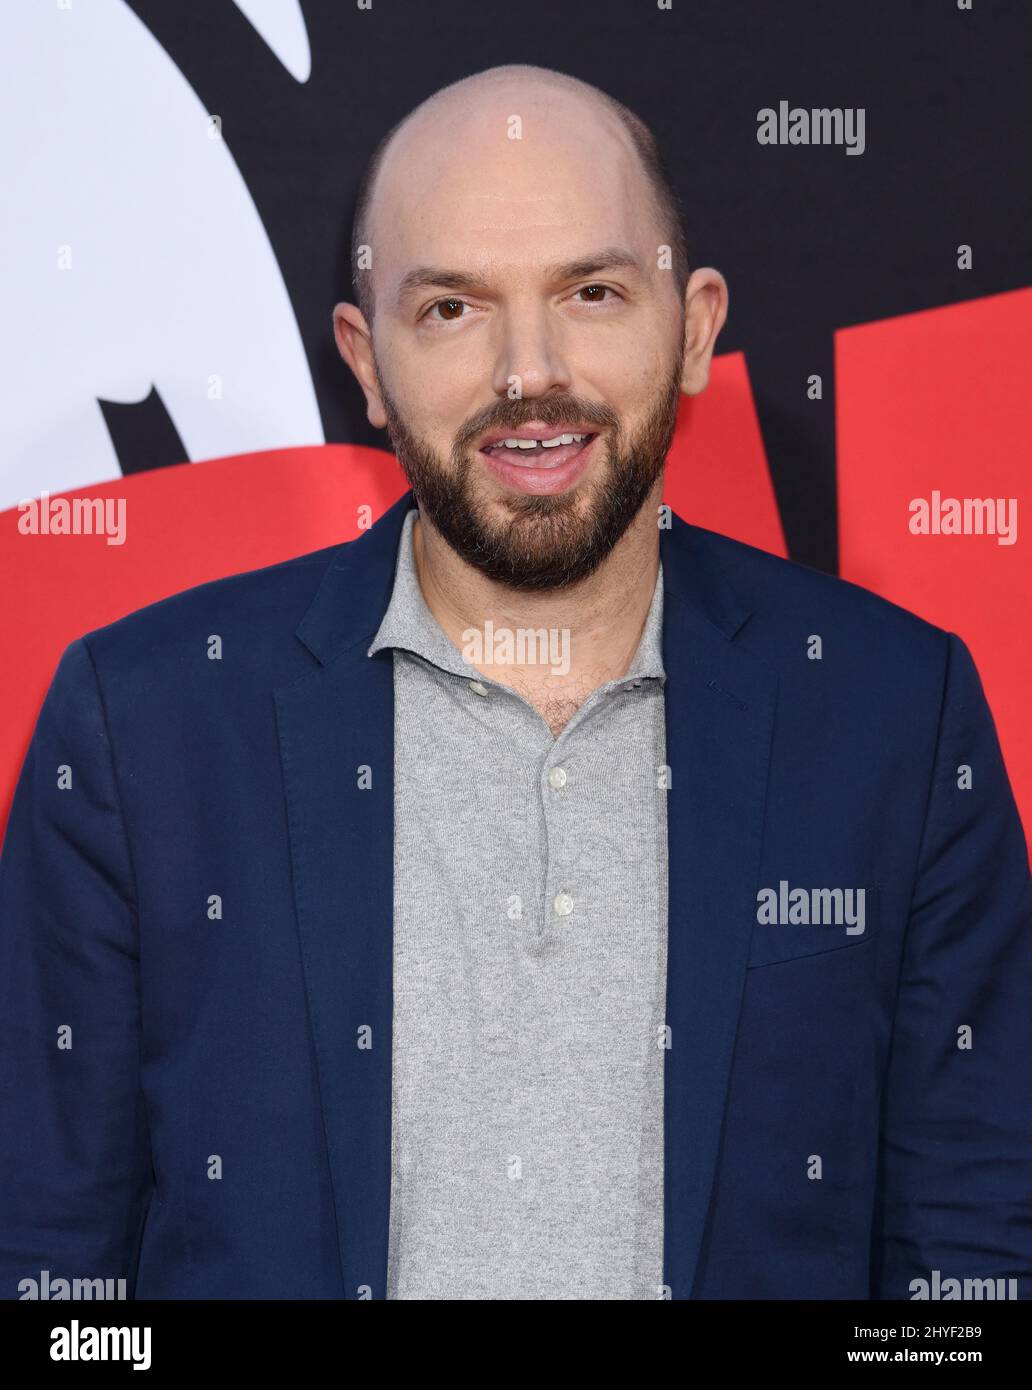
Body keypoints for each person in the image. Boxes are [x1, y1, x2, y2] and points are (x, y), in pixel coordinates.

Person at [1, 65, 1030, 1301]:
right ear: (364, 358)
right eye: (450, 308)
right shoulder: (140, 727)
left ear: (695, 327)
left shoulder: (893, 717)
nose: (528, 372)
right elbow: (51, 1274)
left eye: (593, 291)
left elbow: (971, 1255)